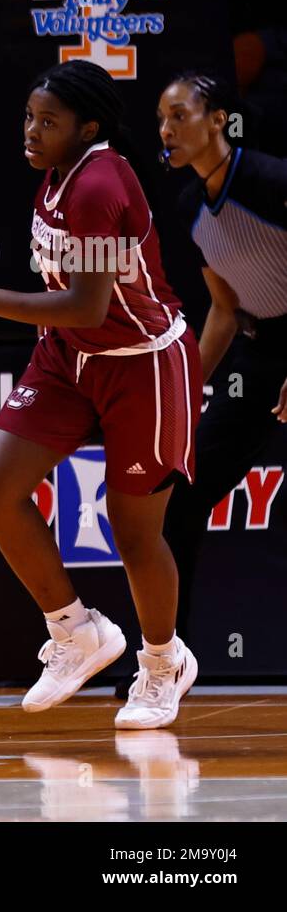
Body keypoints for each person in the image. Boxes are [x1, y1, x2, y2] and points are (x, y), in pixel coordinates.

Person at [0, 60, 201, 730]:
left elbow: (86, 304)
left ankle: (164, 662)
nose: (32, 130)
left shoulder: (100, 185)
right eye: (28, 117)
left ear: (89, 128)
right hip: (67, 357)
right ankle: (75, 631)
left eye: (49, 122)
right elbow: (74, 319)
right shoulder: (56, 176)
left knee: (135, 535)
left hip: (142, 362)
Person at [156, 71, 287, 642]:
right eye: (161, 119)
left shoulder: (268, 178)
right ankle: (168, 656)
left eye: (180, 115)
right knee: (183, 495)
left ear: (218, 120)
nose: (167, 129)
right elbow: (224, 309)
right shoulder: (188, 206)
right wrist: (185, 388)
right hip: (260, 351)